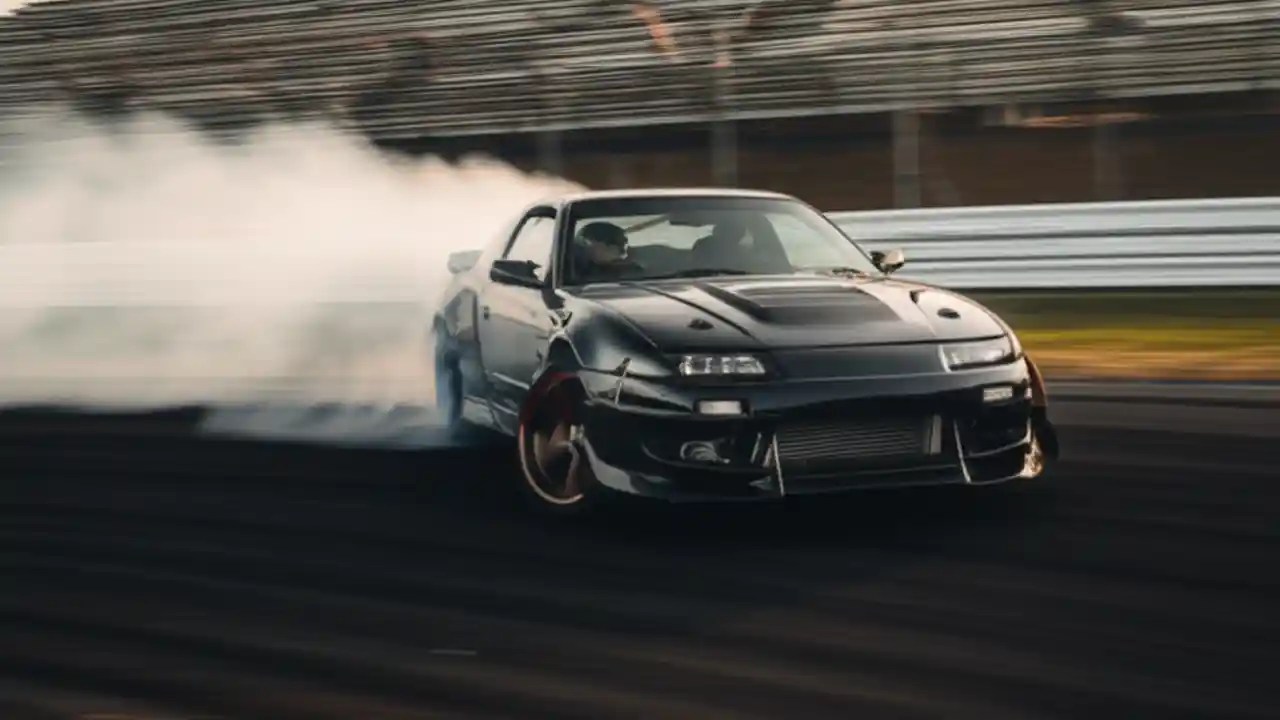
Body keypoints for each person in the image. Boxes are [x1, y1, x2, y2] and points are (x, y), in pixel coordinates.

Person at [572, 221, 643, 281]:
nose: (623, 252)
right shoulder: (573, 267)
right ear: (591, 242)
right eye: (619, 244)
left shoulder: (585, 264)